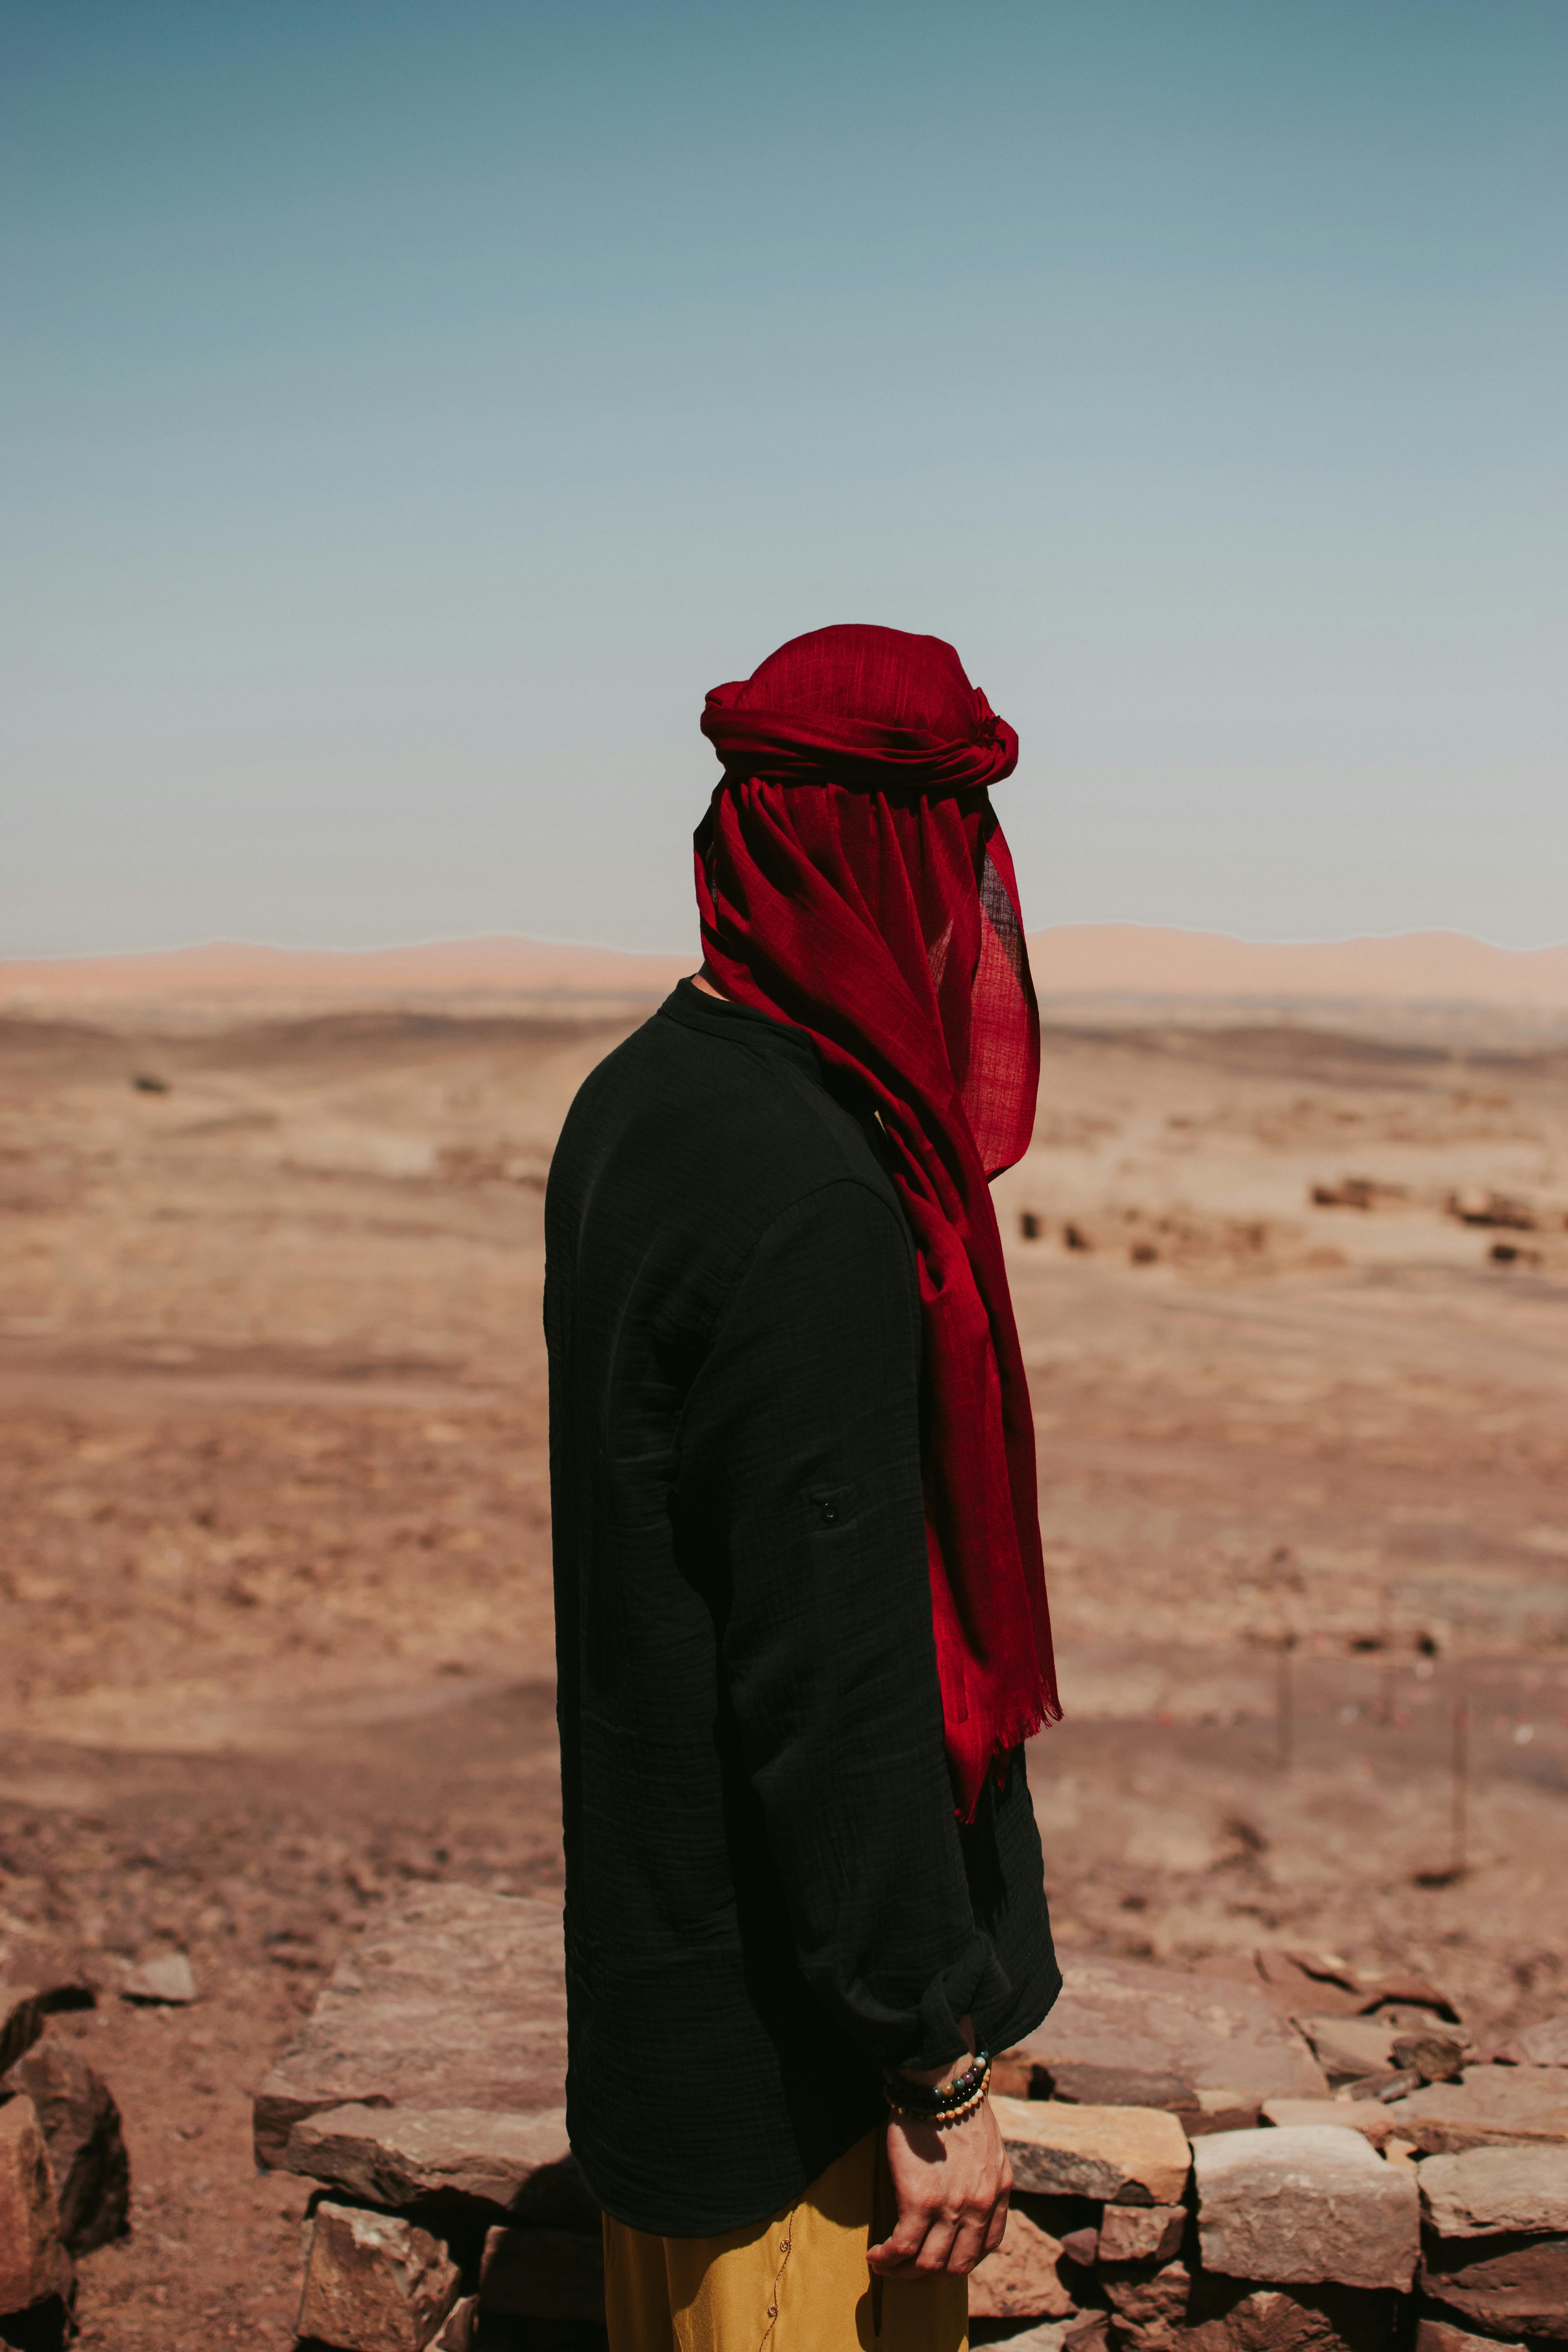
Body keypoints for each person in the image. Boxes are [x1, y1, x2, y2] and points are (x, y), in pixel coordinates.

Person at [545, 623, 1061, 2350]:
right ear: (887, 855)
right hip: (804, 2097)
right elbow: (830, 1668)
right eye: (953, 850)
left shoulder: (647, 1095)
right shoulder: (819, 1191)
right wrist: (934, 2059)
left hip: (671, 2002)